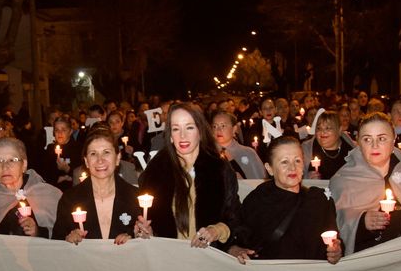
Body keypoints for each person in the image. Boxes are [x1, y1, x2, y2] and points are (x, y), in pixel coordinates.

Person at [330, 112, 401, 255]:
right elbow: (334, 224)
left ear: (394, 139)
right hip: (368, 260)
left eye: (382, 138)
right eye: (367, 139)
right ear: (358, 142)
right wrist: (361, 223)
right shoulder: (344, 178)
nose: (375, 145)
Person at [136, 102, 241, 248]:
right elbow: (145, 217)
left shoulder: (219, 169)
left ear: (200, 131)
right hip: (168, 258)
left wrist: (217, 230)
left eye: (189, 127)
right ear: (170, 135)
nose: (183, 135)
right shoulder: (156, 170)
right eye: (176, 129)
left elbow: (235, 216)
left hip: (208, 259)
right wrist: (147, 231)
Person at [227, 136, 343, 264]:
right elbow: (239, 236)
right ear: (270, 168)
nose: (292, 168)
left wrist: (336, 251)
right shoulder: (258, 200)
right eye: (284, 162)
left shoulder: (318, 200)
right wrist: (234, 249)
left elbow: (333, 242)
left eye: (297, 161)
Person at [52, 126, 139, 245]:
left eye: (106, 152)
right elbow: (56, 244)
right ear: (87, 161)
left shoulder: (135, 198)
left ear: (117, 158)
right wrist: (68, 241)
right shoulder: (70, 200)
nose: (100, 160)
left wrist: (138, 240)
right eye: (93, 154)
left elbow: (151, 246)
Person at [0, 137, 61, 237]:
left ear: (24, 165)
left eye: (12, 160)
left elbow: (62, 235)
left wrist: (38, 232)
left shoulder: (48, 194)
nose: (5, 167)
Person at [211, 111, 266, 180]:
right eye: (214, 126)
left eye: (223, 126)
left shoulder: (248, 152)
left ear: (234, 129)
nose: (218, 130)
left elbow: (259, 182)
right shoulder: (206, 154)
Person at [302, 110, 354, 180]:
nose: (322, 132)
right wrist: (306, 178)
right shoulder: (306, 149)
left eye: (328, 128)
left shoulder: (351, 150)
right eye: (319, 128)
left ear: (339, 130)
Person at [33, 115, 81, 190]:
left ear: (70, 131)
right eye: (56, 130)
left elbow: (81, 174)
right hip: (53, 190)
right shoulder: (50, 149)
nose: (59, 133)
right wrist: (58, 178)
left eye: (63, 130)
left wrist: (67, 169)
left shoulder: (78, 149)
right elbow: (45, 172)